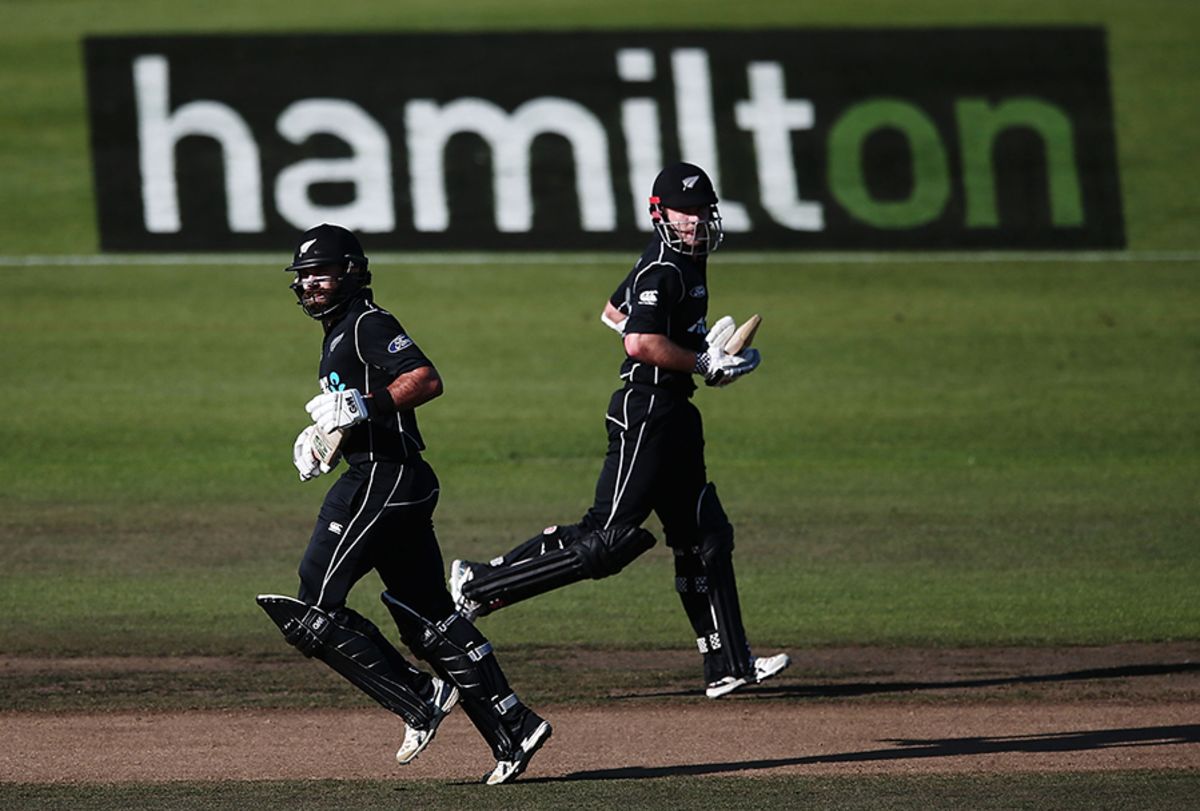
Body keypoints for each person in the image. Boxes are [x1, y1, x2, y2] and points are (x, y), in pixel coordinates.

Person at [449, 163, 790, 699]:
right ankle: (480, 586)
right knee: (609, 540)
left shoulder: (680, 262)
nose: (698, 221)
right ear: (660, 213)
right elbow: (636, 342)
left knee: (704, 535)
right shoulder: (664, 268)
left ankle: (728, 664)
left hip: (675, 409)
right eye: (686, 212)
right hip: (647, 410)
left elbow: (614, 314)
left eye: (705, 211)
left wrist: (692, 347)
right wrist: (701, 360)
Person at [256, 223, 550, 785]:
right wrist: (324, 443)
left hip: (385, 478)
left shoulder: (369, 323)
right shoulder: (338, 331)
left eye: (320, 274)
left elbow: (425, 378)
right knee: (426, 618)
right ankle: (515, 725)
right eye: (303, 278)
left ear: (351, 272)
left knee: (312, 605)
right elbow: (354, 410)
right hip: (390, 479)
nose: (310, 285)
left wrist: (363, 408)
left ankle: (419, 695)